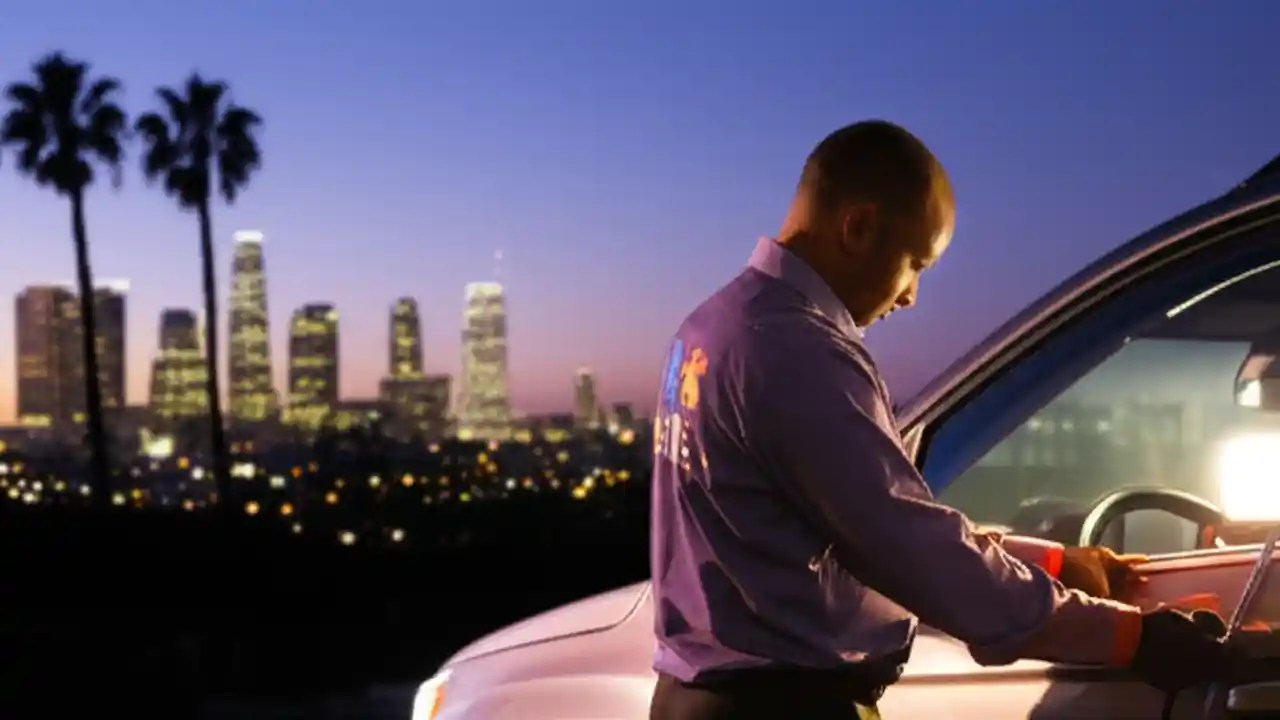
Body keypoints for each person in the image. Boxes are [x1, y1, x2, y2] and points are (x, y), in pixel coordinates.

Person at [647, 120, 1231, 720]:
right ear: (858, 228)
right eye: (914, 264)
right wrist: (1130, 638)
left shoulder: (713, 326)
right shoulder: (796, 348)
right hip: (783, 705)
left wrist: (1052, 564)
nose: (910, 296)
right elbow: (910, 549)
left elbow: (836, 534)